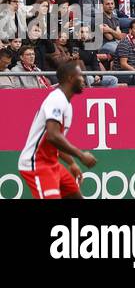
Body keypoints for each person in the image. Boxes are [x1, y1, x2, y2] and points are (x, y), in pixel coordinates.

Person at [19, 61, 98, 199]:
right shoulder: (56, 99)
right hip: (36, 164)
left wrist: (71, 163)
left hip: (52, 163)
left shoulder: (66, 104)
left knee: (76, 196)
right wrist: (81, 155)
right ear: (70, 78)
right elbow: (52, 136)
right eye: (80, 76)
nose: (84, 80)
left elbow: (56, 142)